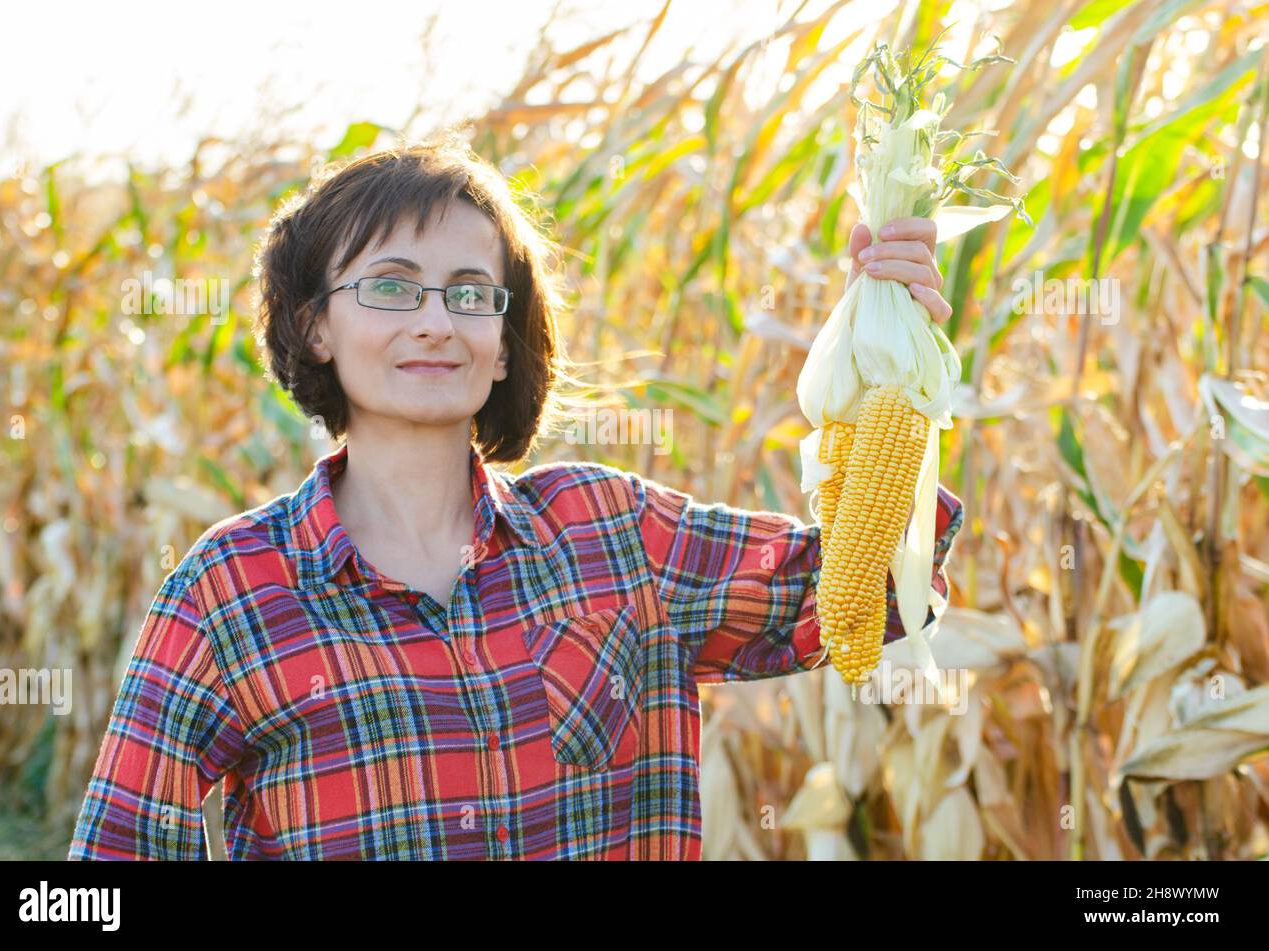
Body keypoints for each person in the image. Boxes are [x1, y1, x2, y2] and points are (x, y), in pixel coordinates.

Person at [68, 137, 963, 860]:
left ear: (501, 345)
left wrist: (888, 360)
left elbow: (869, 591)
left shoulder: (613, 532)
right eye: (389, 286)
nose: (433, 321)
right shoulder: (230, 592)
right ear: (315, 325)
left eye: (469, 293)